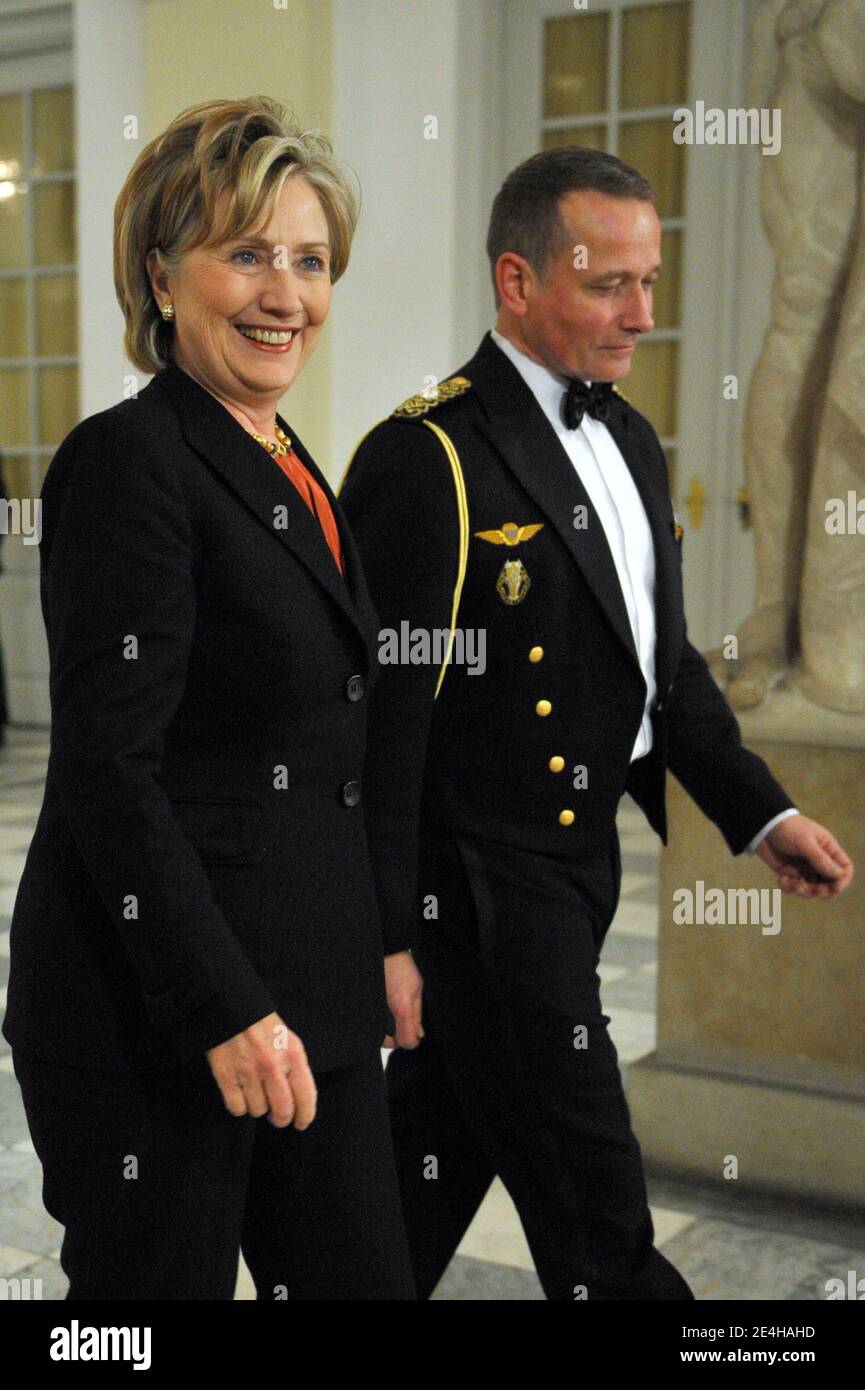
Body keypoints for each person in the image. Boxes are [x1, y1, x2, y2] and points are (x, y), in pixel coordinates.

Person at [339, 146, 854, 1301]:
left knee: (403, 1197)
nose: (643, 315)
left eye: (650, 280)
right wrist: (382, 937)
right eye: (608, 284)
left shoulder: (626, 439)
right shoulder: (428, 460)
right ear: (517, 283)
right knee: (598, 1221)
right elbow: (377, 729)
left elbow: (658, 668)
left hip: (572, 869)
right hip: (478, 894)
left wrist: (756, 807)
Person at [2, 95, 420, 1301]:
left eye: (309, 259)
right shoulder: (131, 459)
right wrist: (224, 1005)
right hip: (156, 1010)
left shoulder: (289, 459)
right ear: (160, 274)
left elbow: (331, 746)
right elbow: (106, 768)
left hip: (313, 999)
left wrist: (380, 942)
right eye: (246, 255)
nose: (284, 292)